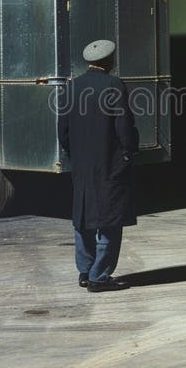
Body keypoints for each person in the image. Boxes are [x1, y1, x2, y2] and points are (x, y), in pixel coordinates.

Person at [58, 39, 139, 292]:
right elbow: (124, 127)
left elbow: (63, 130)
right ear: (110, 61)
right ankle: (99, 277)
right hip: (109, 165)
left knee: (83, 218)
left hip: (82, 166)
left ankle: (85, 271)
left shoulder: (73, 87)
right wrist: (128, 153)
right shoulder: (114, 86)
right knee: (110, 220)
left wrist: (74, 155)